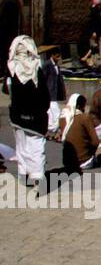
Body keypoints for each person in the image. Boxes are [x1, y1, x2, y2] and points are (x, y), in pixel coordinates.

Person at [6, 36, 50, 186]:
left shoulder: (12, 68)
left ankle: (23, 175)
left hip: (18, 117)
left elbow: (6, 89)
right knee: (36, 149)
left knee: (22, 146)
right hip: (36, 118)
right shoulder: (37, 68)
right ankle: (37, 180)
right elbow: (45, 95)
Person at [60, 94, 101, 173]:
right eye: (83, 106)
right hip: (84, 163)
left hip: (67, 162)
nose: (84, 109)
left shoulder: (62, 117)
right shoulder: (84, 118)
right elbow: (96, 142)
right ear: (79, 106)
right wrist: (91, 151)